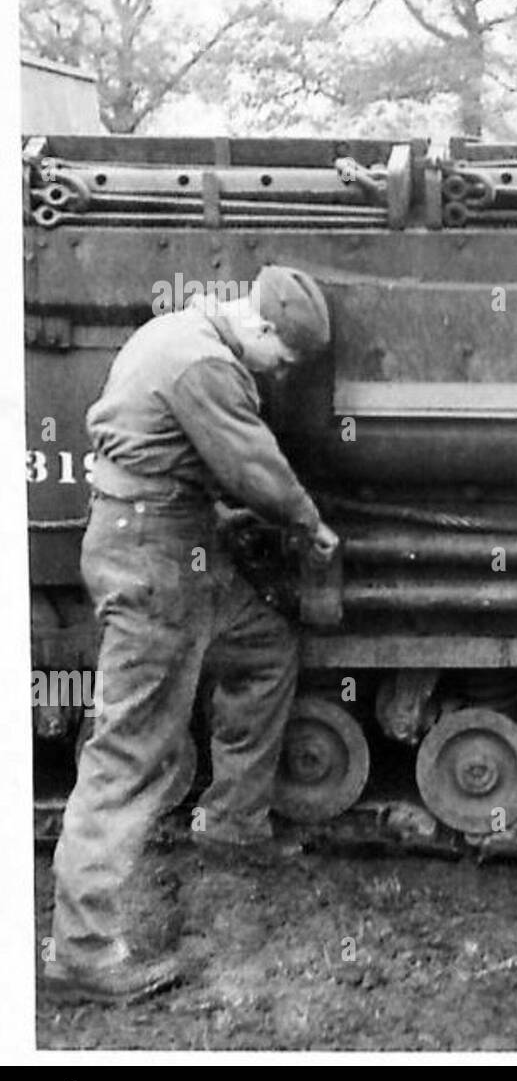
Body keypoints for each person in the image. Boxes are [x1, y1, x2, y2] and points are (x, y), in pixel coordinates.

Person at [45, 266, 339, 1005]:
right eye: (285, 357)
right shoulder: (206, 362)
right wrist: (310, 523)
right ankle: (82, 954)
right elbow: (252, 464)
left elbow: (190, 457)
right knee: (129, 749)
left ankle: (233, 821)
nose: (282, 372)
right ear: (263, 328)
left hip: (175, 542)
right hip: (155, 560)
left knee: (264, 649)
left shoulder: (178, 334)